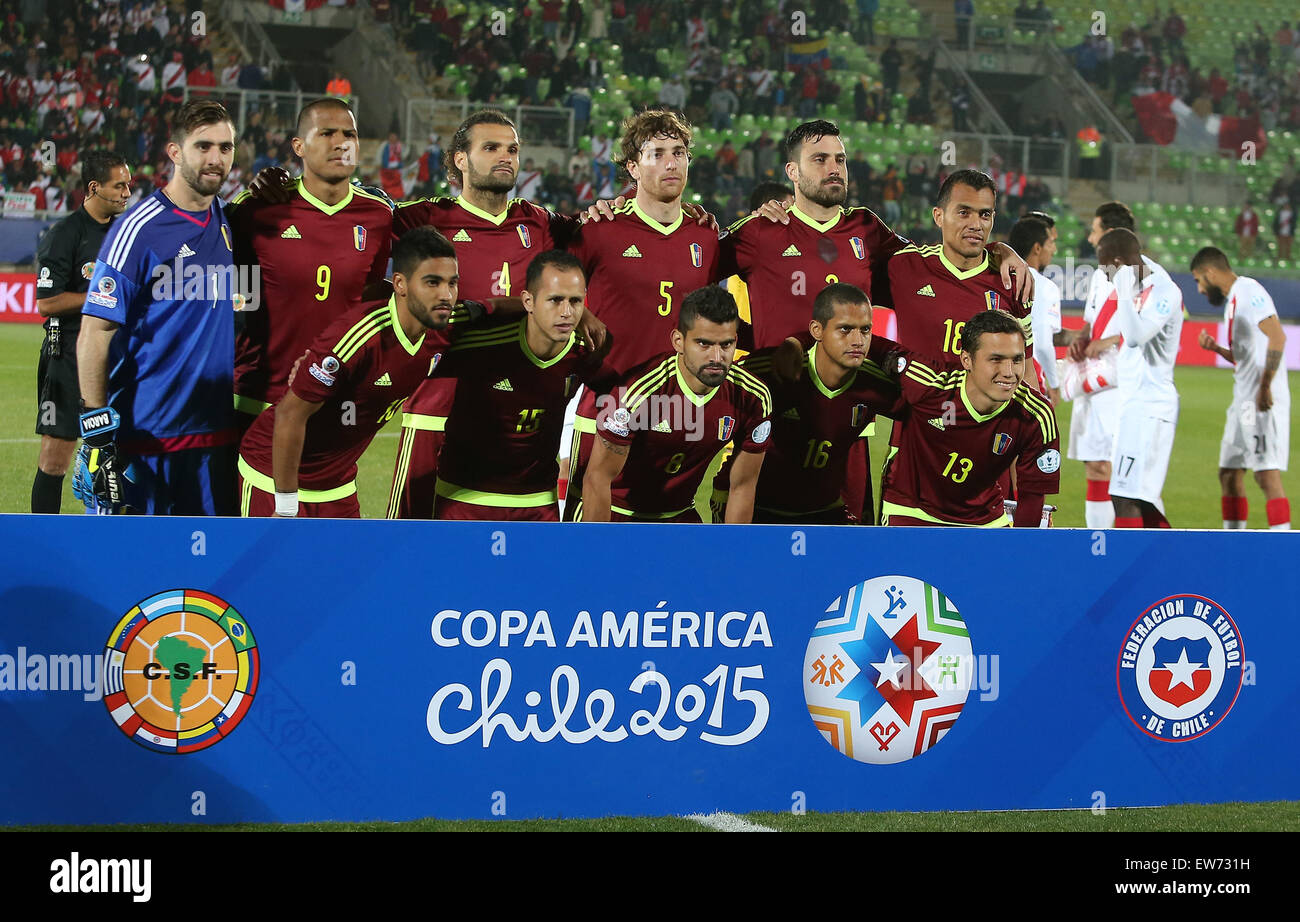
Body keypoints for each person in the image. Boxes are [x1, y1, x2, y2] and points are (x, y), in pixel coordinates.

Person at [381, 110, 590, 519]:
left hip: (519, 407)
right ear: (460, 158)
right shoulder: (423, 218)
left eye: (512, 149)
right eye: (490, 147)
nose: (505, 157)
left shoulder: (541, 222)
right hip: (437, 403)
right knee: (411, 544)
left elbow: (603, 232)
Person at [238, 228, 487, 517]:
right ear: (400, 284)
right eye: (432, 282)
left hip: (337, 484)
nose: (446, 294)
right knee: (275, 564)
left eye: (452, 283)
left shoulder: (445, 322)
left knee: (349, 564)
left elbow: (495, 310)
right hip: (273, 478)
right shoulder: (362, 336)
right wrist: (285, 508)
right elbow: (290, 415)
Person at [74, 99, 238, 516]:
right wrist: (97, 434)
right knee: (132, 573)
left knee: (206, 575)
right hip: (145, 437)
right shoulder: (139, 229)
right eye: (203, 147)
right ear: (175, 152)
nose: (216, 159)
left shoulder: (228, 219)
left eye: (225, 147)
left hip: (213, 438)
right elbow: (95, 331)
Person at [560, 108, 724, 520]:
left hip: (678, 411)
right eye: (657, 153)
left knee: (666, 525)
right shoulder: (600, 228)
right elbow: (555, 292)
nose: (672, 162)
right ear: (632, 166)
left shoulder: (705, 234)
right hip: (602, 406)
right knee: (588, 547)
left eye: (680, 152)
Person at [226, 98, 394, 428]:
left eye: (350, 134)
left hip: (332, 399)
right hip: (257, 400)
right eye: (327, 133)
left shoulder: (378, 215)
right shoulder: (257, 209)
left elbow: (367, 299)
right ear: (299, 146)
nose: (341, 143)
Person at [428, 251, 616, 520]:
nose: (566, 312)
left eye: (575, 302)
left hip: (538, 503)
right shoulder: (480, 345)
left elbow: (620, 392)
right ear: (527, 300)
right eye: (555, 300)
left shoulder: (586, 354)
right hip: (463, 499)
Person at [580, 286, 772, 523]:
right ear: (678, 341)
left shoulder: (752, 397)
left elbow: (743, 485)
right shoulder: (637, 393)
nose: (716, 357)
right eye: (703, 344)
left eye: (725, 345)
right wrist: (599, 550)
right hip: (619, 515)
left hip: (681, 517)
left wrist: (734, 552)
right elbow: (597, 478)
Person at [881, 309, 1060, 526]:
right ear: (967, 360)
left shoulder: (1036, 415)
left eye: (1017, 359)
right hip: (912, 510)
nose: (1009, 372)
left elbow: (1032, 497)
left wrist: (1019, 551)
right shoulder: (931, 385)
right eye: (996, 359)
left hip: (983, 517)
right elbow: (874, 350)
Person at [742, 284, 902, 524]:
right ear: (817, 330)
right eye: (845, 330)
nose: (858, 341)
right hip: (758, 509)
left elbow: (927, 411)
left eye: (865, 330)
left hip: (825, 510)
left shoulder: (876, 384)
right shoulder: (772, 370)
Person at [31, 151, 132, 513]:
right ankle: (42, 540)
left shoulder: (126, 233)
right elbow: (47, 303)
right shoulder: (65, 234)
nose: (126, 193)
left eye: (129, 185)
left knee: (118, 459)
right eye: (119, 185)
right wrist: (102, 294)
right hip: (68, 358)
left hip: (118, 359)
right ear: (94, 188)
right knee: (55, 459)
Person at [1191, 247, 1290, 530]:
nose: (1198, 289)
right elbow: (1245, 356)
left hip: (1261, 398)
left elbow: (1278, 337)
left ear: (1210, 273)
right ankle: (1233, 543)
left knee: (1265, 474)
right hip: (1244, 400)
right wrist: (1218, 349)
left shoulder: (1249, 291)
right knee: (1229, 473)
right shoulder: (1234, 299)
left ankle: (1283, 551)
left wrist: (1265, 387)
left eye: (1198, 280)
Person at [1095, 228, 1182, 528]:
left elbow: (1135, 336)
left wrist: (1121, 285)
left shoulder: (1164, 290)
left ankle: (1128, 570)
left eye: (1106, 267)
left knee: (1127, 497)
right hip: (1133, 406)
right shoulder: (1140, 284)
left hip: (1151, 408)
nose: (1105, 276)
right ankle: (1166, 568)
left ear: (1118, 262)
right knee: (1136, 499)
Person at [1067, 200, 1138, 528]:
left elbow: (1143, 331)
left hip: (1120, 383)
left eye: (1095, 231)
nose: (1091, 238)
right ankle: (1096, 542)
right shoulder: (1099, 274)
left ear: (1109, 233)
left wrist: (1104, 344)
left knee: (1121, 472)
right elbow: (1091, 320)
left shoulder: (1139, 276)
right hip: (1091, 379)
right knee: (1094, 465)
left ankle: (1125, 546)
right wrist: (1082, 338)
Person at [1008, 214, 1062, 402]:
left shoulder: (997, 278)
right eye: (1050, 243)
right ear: (1037, 248)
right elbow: (1043, 343)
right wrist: (1054, 384)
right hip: (1027, 377)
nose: (1053, 249)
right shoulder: (1045, 287)